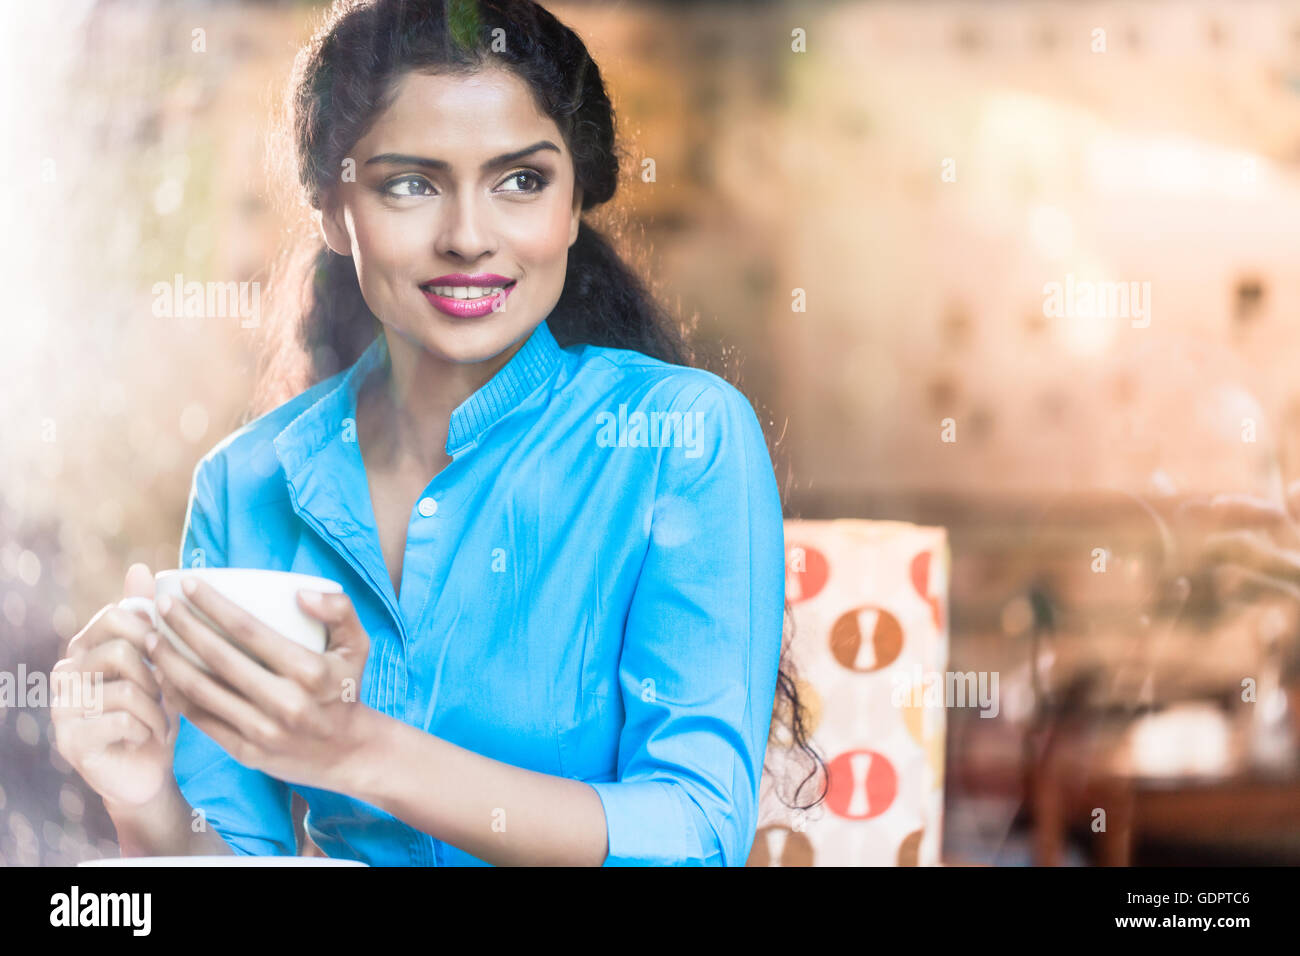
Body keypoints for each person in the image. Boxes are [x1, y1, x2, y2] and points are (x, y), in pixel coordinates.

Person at [51, 0, 825, 866]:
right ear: (334, 211)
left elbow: (694, 834)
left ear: (574, 207)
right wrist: (144, 795)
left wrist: (359, 751)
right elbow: (229, 859)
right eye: (409, 184)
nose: (467, 237)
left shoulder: (683, 438)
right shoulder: (245, 483)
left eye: (521, 181)